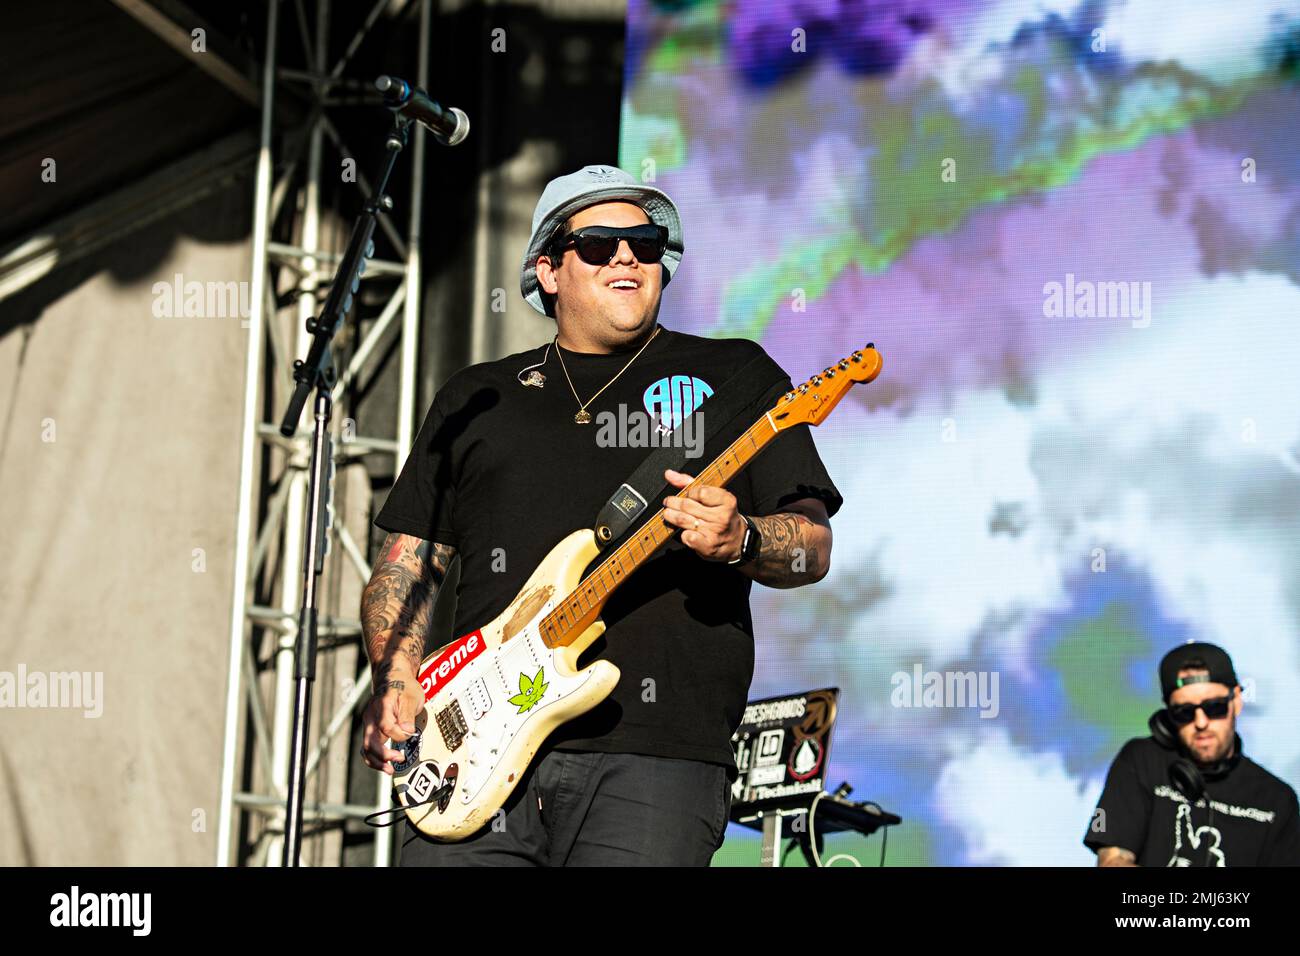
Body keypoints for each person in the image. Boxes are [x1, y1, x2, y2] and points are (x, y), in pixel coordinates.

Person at [359, 164, 844, 865]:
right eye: (598, 243)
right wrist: (397, 678)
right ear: (549, 271)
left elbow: (813, 547)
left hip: (656, 759)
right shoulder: (480, 398)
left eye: (645, 244)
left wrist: (743, 540)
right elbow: (406, 565)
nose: (626, 256)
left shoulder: (737, 380)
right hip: (469, 753)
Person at [1084, 641, 1300, 866]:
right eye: (1184, 712)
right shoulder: (1141, 761)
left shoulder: (1277, 800)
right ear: (1168, 715)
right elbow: (1112, 860)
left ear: (1236, 701)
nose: (1201, 722)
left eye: (1214, 707)